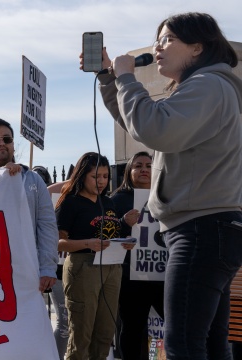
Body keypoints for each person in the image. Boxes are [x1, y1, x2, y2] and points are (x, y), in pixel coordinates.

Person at [95, 12, 242, 359]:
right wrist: (109, 79)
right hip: (210, 229)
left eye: (168, 39)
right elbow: (140, 123)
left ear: (197, 47)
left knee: (185, 345)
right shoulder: (206, 87)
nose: (158, 47)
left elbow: (153, 128)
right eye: (158, 39)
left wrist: (128, 77)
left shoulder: (207, 85)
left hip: (200, 230)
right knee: (207, 343)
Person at [0, 118, 59, 295]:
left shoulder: (32, 180)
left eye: (7, 139)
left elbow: (47, 226)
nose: (1, 144)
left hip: (24, 269)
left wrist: (47, 268)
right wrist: (1, 176)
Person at [55, 152, 135, 360]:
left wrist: (123, 242)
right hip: (83, 267)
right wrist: (87, 244)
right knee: (81, 335)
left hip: (111, 268)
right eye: (95, 176)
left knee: (105, 334)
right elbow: (57, 243)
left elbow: (112, 235)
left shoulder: (108, 203)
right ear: (82, 175)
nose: (101, 181)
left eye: (105, 176)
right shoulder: (70, 202)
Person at [111, 151, 164, 360]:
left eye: (149, 166)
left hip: (163, 275)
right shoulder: (117, 200)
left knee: (165, 326)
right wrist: (123, 224)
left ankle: (158, 357)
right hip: (131, 277)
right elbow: (106, 235)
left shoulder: (167, 196)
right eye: (138, 166)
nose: (144, 169)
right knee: (132, 328)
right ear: (128, 171)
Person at [33, 165, 68, 359]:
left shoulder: (59, 200)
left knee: (65, 322)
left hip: (58, 268)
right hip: (33, 269)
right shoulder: (30, 200)